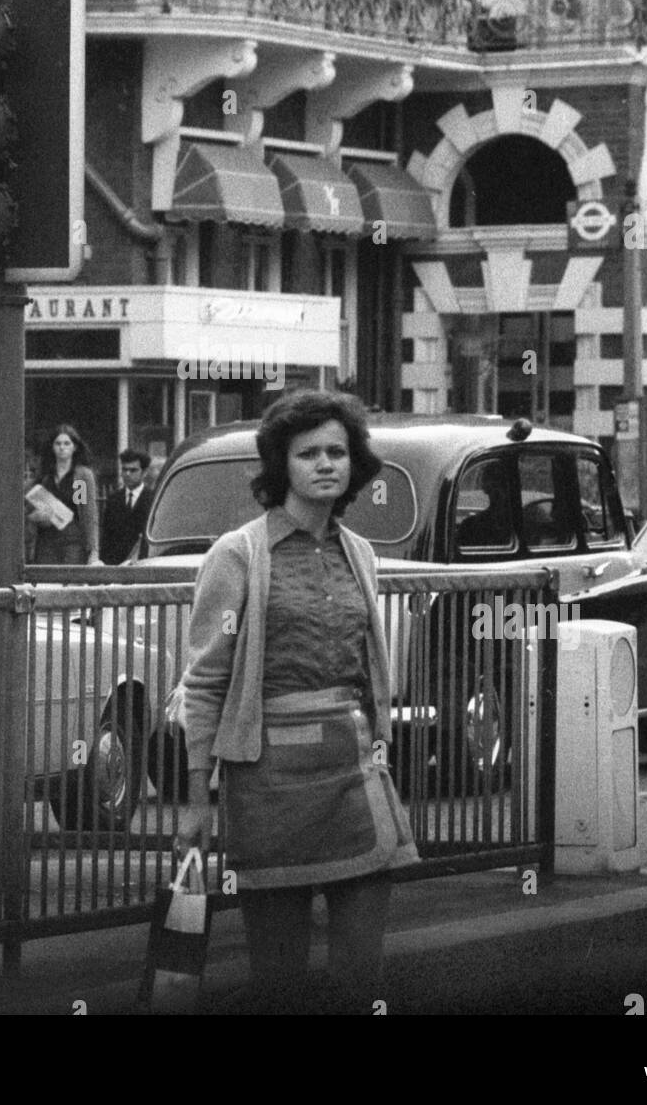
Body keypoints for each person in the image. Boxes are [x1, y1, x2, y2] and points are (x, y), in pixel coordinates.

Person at [175, 389, 417, 1013]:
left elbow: (371, 674)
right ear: (281, 464)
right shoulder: (238, 554)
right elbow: (203, 685)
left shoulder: (359, 553)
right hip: (269, 784)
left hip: (354, 773)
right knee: (278, 980)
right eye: (308, 453)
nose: (325, 463)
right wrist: (196, 798)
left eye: (337, 451)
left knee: (359, 978)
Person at [26, 424, 100, 566]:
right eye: (58, 443)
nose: (62, 447)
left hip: (72, 543)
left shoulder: (80, 476)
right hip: (46, 543)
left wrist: (93, 551)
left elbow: (88, 514)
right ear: (52, 447)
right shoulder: (45, 477)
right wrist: (34, 516)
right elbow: (27, 508)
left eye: (67, 443)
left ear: (75, 447)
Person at [100, 449, 153, 564]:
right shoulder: (113, 499)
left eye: (133, 470)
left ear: (144, 472)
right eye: (124, 470)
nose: (127, 474)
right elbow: (106, 537)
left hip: (142, 562)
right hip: (115, 564)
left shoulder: (153, 499)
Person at [454, 459, 514, 549]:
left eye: (502, 484)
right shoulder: (470, 526)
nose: (499, 490)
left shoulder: (470, 526)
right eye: (494, 484)